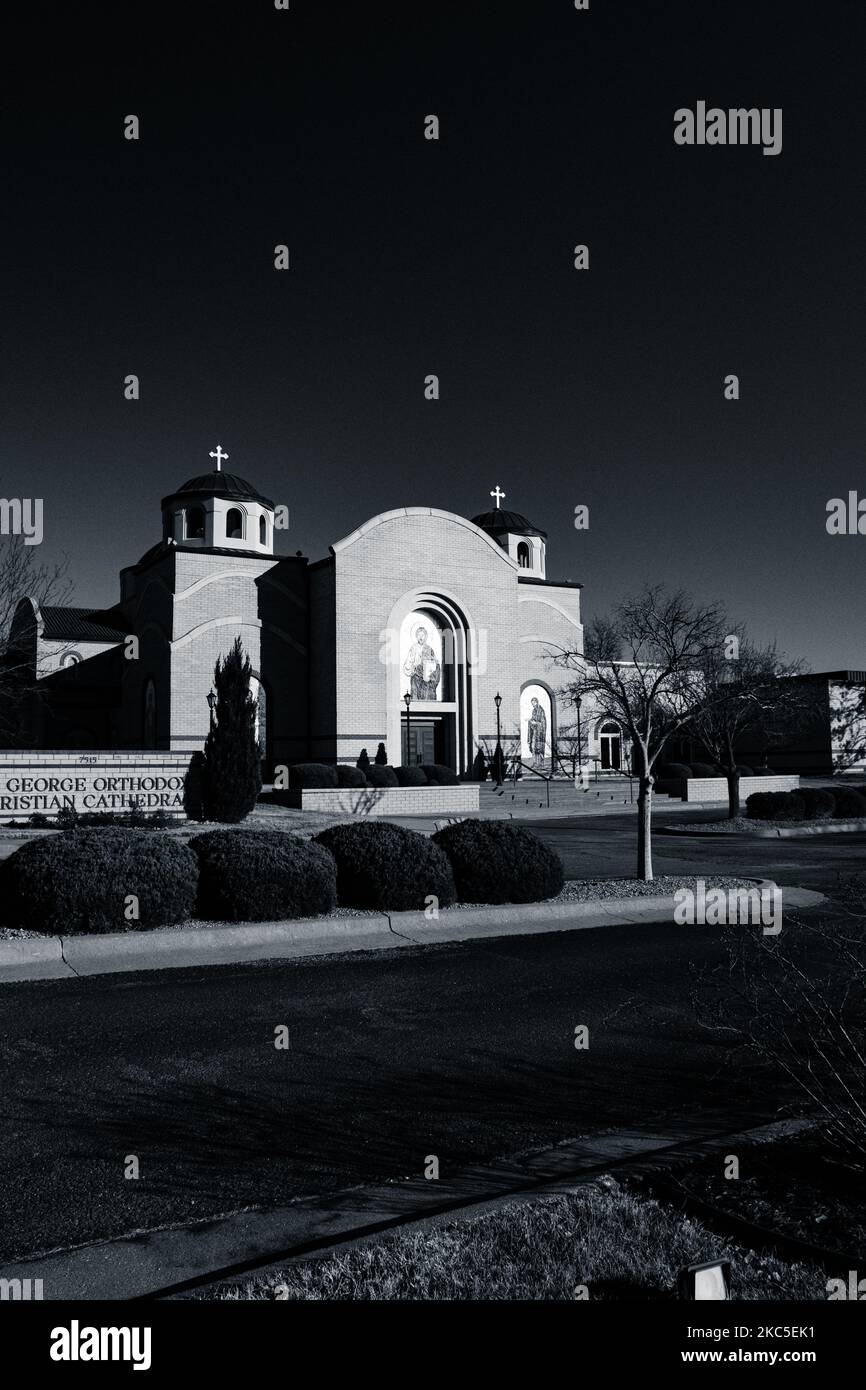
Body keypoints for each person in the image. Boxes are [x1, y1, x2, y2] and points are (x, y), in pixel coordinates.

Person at [403, 624, 441, 700]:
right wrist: (412, 668)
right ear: (416, 636)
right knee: (415, 695)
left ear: (426, 636)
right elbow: (408, 662)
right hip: (416, 676)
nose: (421, 637)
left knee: (425, 696)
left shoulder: (429, 649)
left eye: (422, 635)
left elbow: (434, 664)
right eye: (419, 635)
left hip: (426, 677)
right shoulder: (413, 648)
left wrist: (430, 670)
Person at [528, 696, 547, 765]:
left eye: (533, 703)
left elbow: (543, 723)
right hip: (534, 732)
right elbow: (533, 719)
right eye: (532, 703)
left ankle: (540, 763)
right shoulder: (534, 710)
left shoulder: (541, 710)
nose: (532, 705)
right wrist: (531, 721)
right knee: (534, 747)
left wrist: (535, 723)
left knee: (539, 748)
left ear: (536, 702)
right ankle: (535, 762)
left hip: (540, 733)